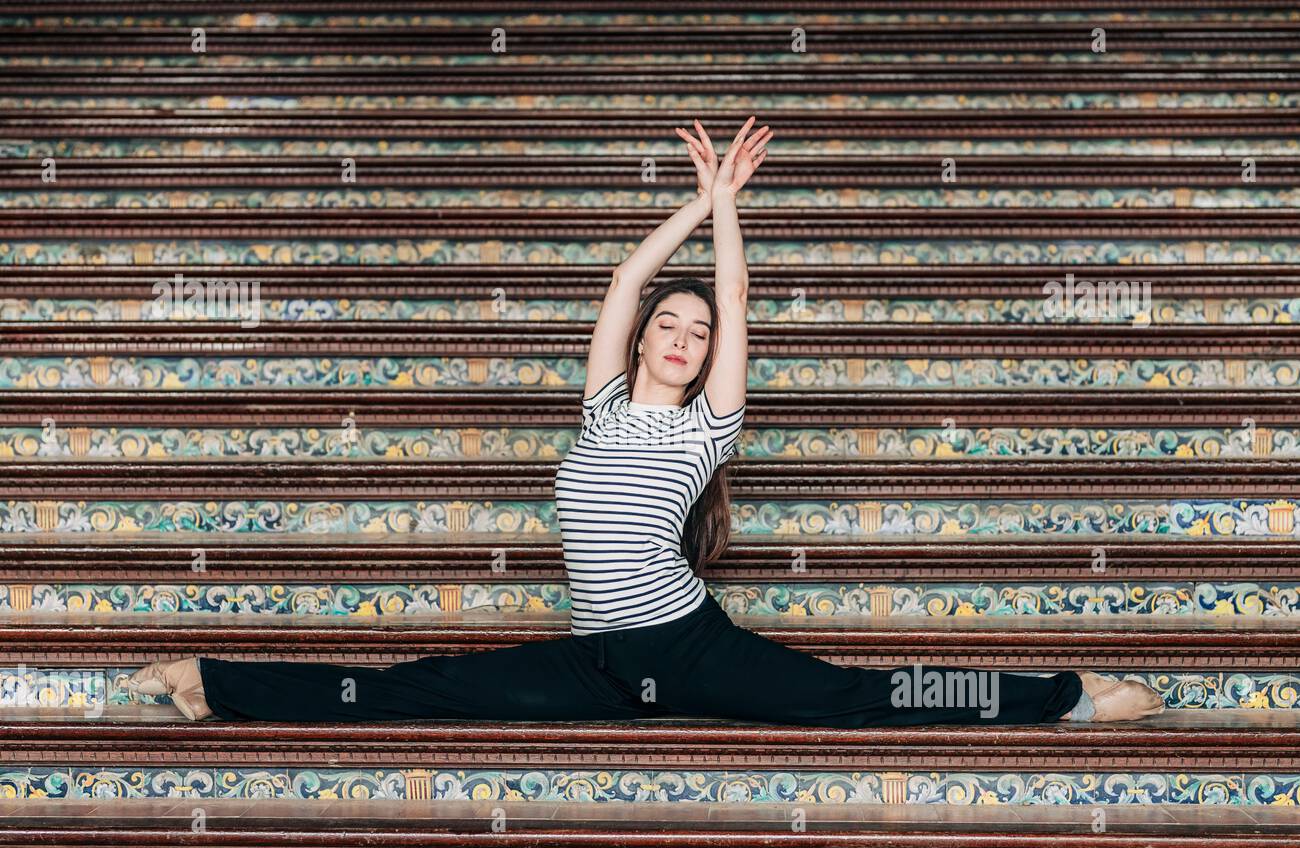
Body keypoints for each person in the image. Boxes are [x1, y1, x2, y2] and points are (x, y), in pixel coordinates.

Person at [127, 117, 1163, 727]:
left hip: (690, 642)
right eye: (667, 323)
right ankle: (209, 681)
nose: (680, 333)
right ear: (637, 343)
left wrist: (726, 210)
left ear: (710, 358)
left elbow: (738, 299)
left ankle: (1068, 693)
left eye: (695, 330)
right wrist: (689, 196)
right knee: (417, 686)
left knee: (858, 696)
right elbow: (625, 275)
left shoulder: (708, 427)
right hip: (594, 657)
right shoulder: (605, 402)